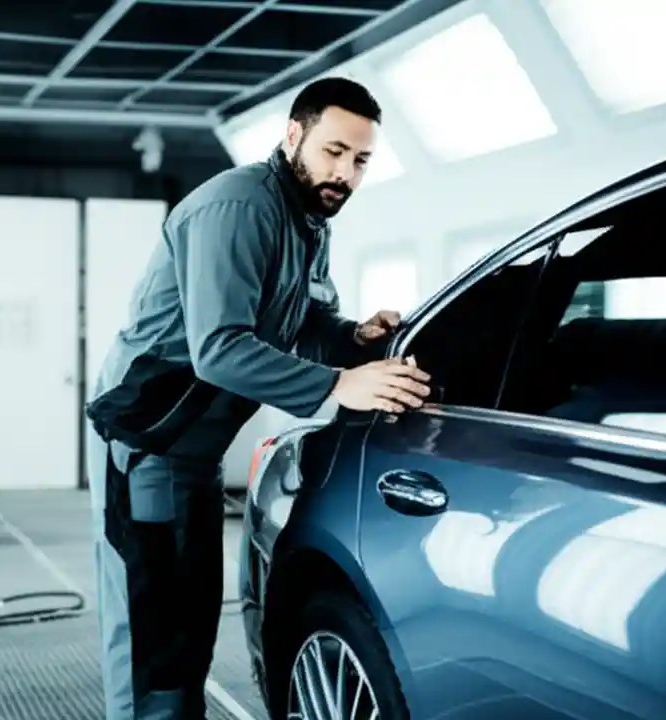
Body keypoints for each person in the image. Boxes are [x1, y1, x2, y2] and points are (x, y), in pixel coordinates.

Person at [85, 76, 432, 719]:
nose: (346, 174)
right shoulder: (240, 207)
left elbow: (300, 320)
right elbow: (219, 347)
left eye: (360, 160)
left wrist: (354, 337)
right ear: (294, 134)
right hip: (146, 437)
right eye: (333, 151)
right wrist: (339, 385)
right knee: (152, 632)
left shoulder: (307, 220)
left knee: (189, 623)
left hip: (194, 446)